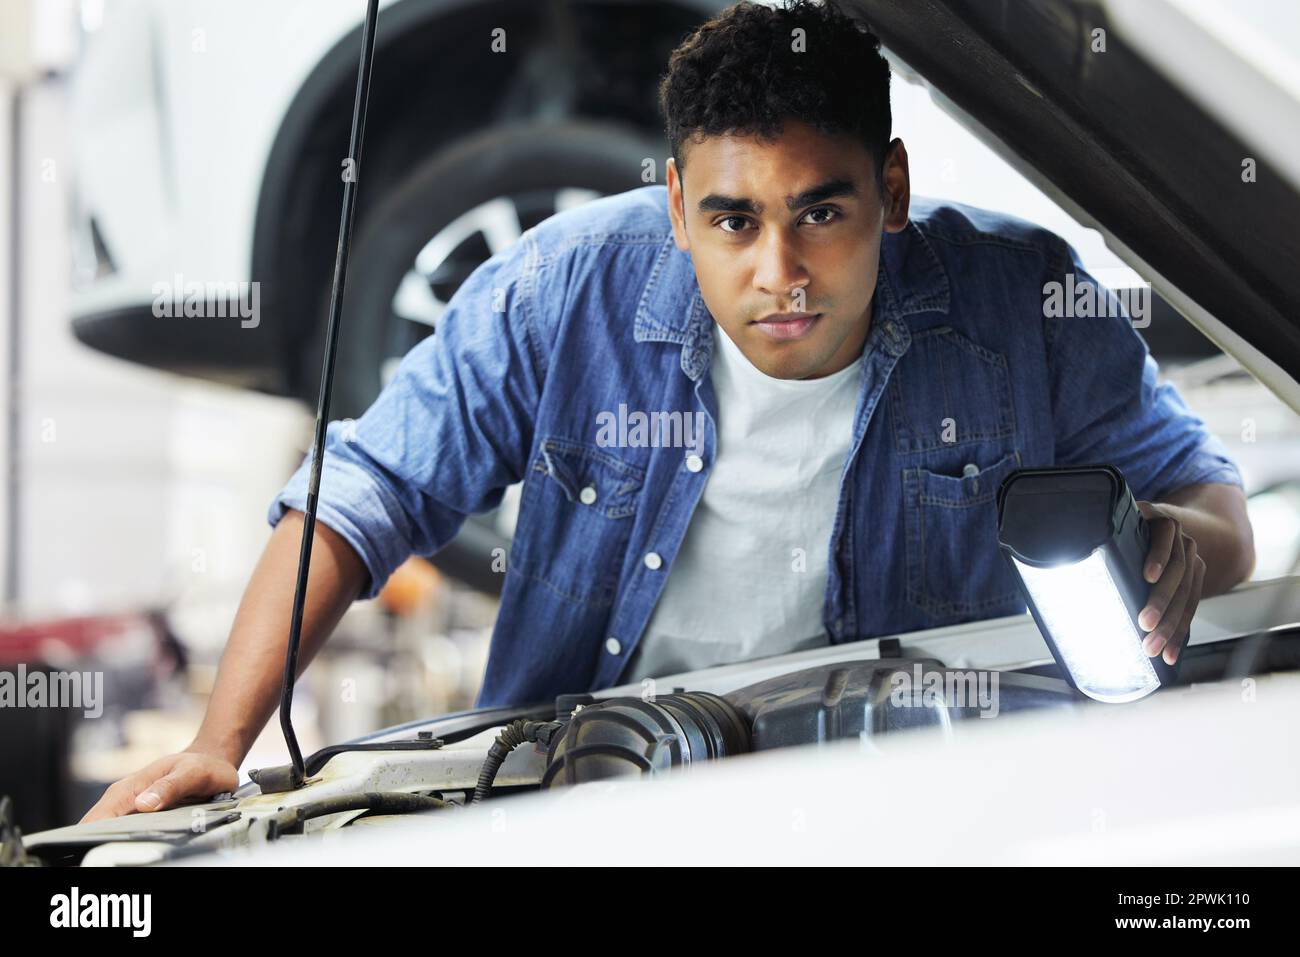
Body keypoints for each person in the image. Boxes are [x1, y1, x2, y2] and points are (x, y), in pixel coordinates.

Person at [82, 0, 1254, 822]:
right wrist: (215, 744)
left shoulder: (1020, 301)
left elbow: (1214, 507)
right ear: (680, 206)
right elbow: (363, 494)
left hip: (911, 802)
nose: (780, 271)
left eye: (822, 212)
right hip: (596, 795)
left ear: (890, 190)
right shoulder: (560, 288)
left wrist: (1180, 550)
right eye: (735, 221)